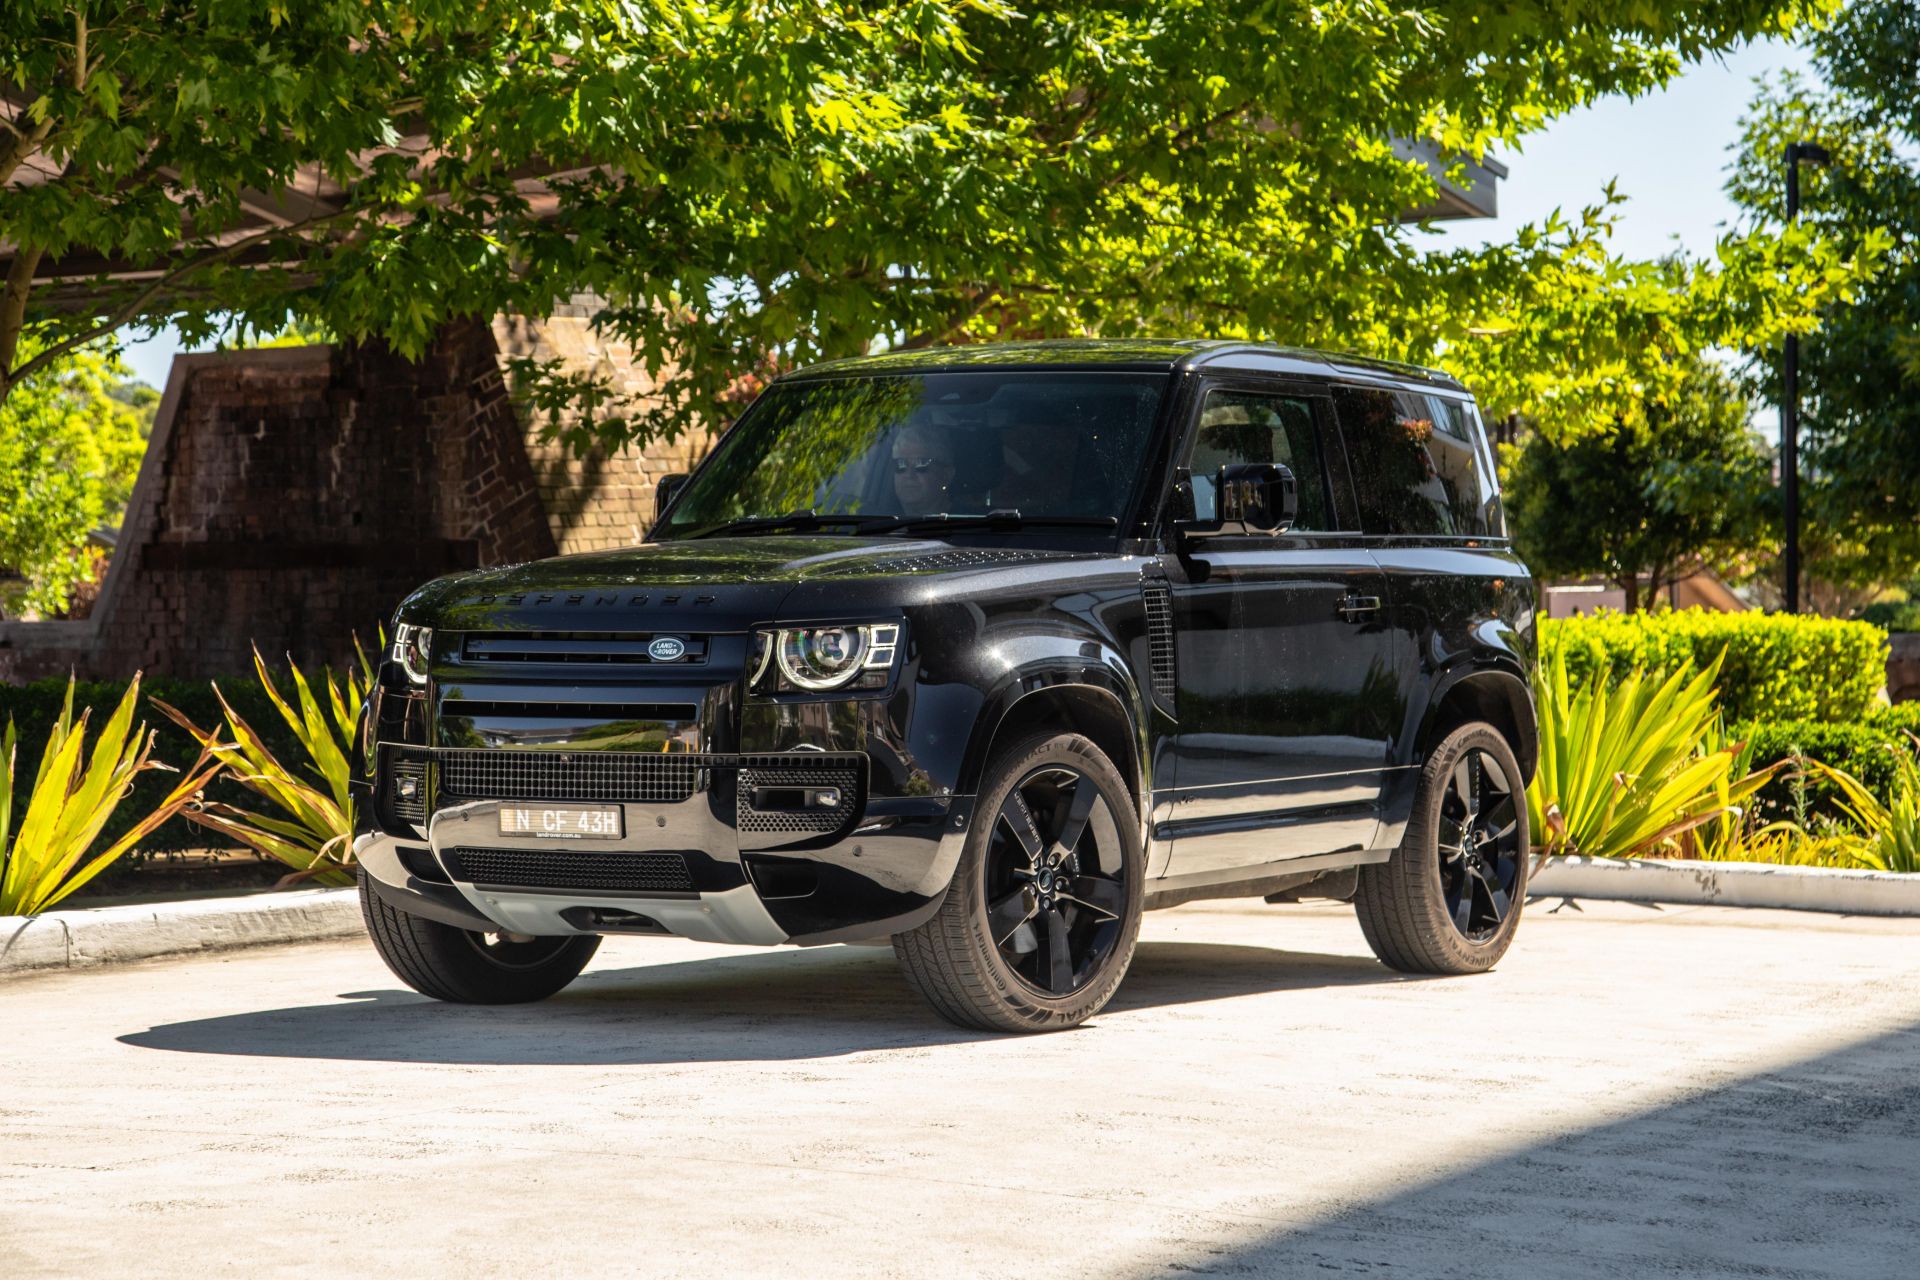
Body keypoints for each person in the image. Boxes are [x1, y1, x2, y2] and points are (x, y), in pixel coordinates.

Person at [891, 423, 957, 517]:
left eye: (921, 463)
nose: (909, 475)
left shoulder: (974, 523)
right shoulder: (874, 517)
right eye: (900, 464)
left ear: (947, 474)